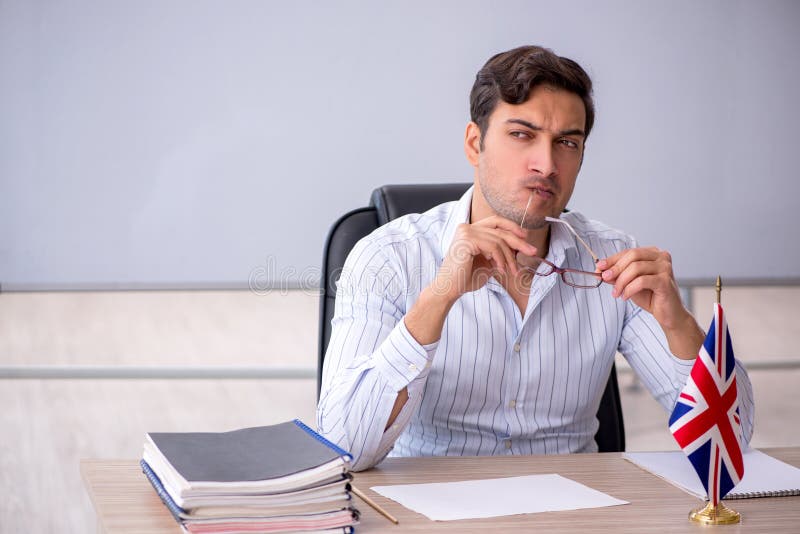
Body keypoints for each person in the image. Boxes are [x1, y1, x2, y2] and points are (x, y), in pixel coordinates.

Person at [316, 45, 754, 471]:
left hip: (578, 505)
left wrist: (679, 325)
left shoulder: (613, 259)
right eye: (522, 135)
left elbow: (730, 442)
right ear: (475, 144)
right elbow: (343, 446)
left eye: (567, 142)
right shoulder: (388, 257)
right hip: (426, 503)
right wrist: (438, 298)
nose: (546, 164)